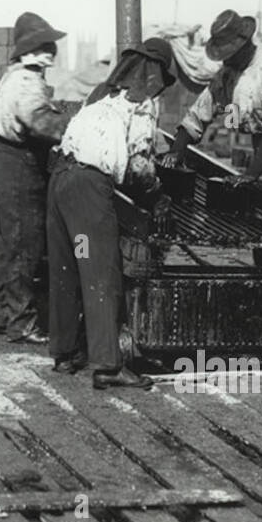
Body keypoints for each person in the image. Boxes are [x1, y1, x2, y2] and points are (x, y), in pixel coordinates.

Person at [48, 38, 176, 389]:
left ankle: (64, 352)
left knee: (71, 264)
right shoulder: (143, 104)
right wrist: (157, 195)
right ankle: (107, 363)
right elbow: (138, 163)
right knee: (100, 271)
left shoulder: (99, 95)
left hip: (60, 181)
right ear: (155, 76)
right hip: (89, 191)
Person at [0, 12, 69, 345]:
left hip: (0, 160)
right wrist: (69, 131)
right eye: (45, 45)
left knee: (6, 245)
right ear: (31, 51)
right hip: (19, 165)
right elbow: (37, 121)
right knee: (26, 245)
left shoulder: (12, 76)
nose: (51, 51)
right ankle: (22, 322)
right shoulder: (28, 80)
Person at [167, 10, 262, 201]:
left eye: (229, 55)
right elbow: (199, 114)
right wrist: (177, 150)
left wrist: (251, 174)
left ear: (244, 46)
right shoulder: (227, 74)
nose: (226, 60)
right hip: (261, 146)